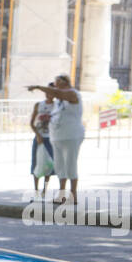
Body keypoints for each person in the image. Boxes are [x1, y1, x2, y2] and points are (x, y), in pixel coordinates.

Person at [28, 74, 84, 205]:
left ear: (65, 82)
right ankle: (62, 194)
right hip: (58, 136)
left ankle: (73, 195)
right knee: (60, 166)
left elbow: (56, 92)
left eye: (57, 82)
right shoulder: (59, 101)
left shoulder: (72, 94)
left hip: (71, 135)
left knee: (70, 164)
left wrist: (37, 87)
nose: (55, 85)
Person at [29, 88, 56, 198]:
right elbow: (31, 122)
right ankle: (36, 190)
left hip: (51, 138)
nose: (49, 95)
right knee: (37, 163)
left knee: (48, 165)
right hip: (39, 138)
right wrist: (38, 135)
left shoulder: (57, 106)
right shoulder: (38, 105)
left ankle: (45, 190)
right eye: (48, 92)